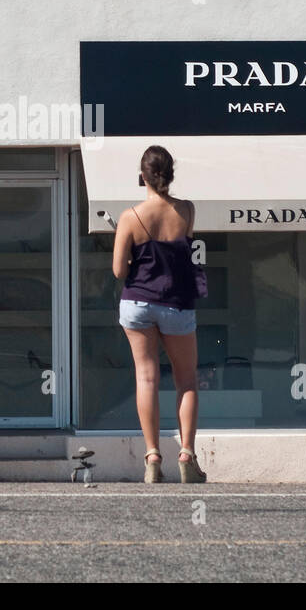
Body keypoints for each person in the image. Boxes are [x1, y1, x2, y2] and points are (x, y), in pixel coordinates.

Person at [112, 144, 207, 483]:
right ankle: (187, 455)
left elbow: (118, 271)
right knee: (186, 380)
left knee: (146, 378)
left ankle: (152, 456)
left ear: (143, 177)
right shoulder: (187, 211)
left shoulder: (129, 217)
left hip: (137, 303)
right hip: (177, 303)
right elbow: (184, 250)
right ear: (170, 174)